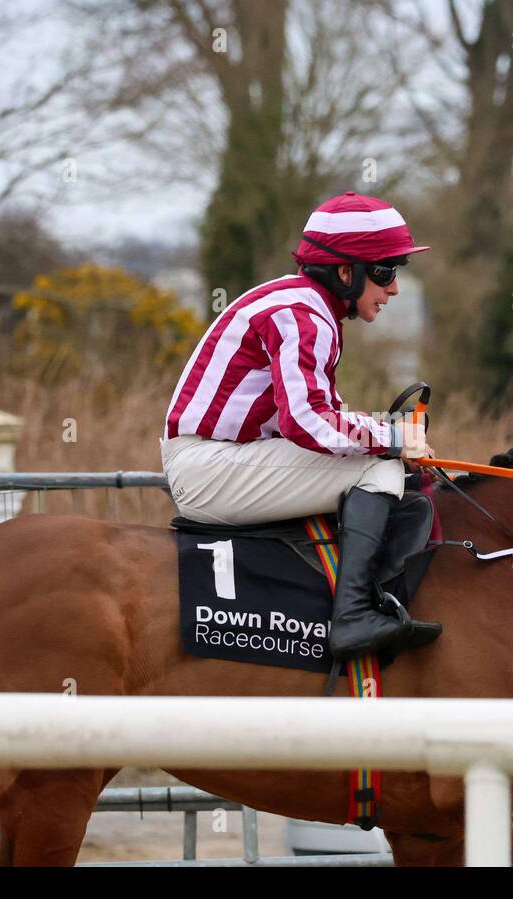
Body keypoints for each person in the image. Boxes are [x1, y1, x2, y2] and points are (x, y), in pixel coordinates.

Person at [161, 192, 441, 662]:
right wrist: (393, 439)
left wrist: (386, 433)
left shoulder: (309, 307)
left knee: (381, 458)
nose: (393, 288)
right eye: (385, 271)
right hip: (207, 468)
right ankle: (352, 617)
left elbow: (322, 413)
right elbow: (307, 423)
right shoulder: (304, 315)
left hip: (218, 458)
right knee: (380, 472)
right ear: (345, 272)